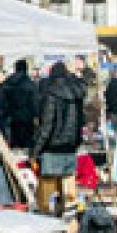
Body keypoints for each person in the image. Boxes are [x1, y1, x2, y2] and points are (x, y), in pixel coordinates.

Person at [33, 62, 85, 214]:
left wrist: (36, 149)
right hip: (70, 147)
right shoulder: (77, 94)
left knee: (47, 201)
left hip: (52, 148)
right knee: (69, 200)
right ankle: (70, 227)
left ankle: (50, 226)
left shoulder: (51, 94)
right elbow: (80, 122)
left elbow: (47, 125)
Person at [0, 60, 38, 151]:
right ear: (26, 69)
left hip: (10, 121)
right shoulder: (31, 84)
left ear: (15, 68)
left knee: (12, 148)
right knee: (26, 149)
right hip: (27, 122)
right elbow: (36, 103)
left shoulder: (6, 83)